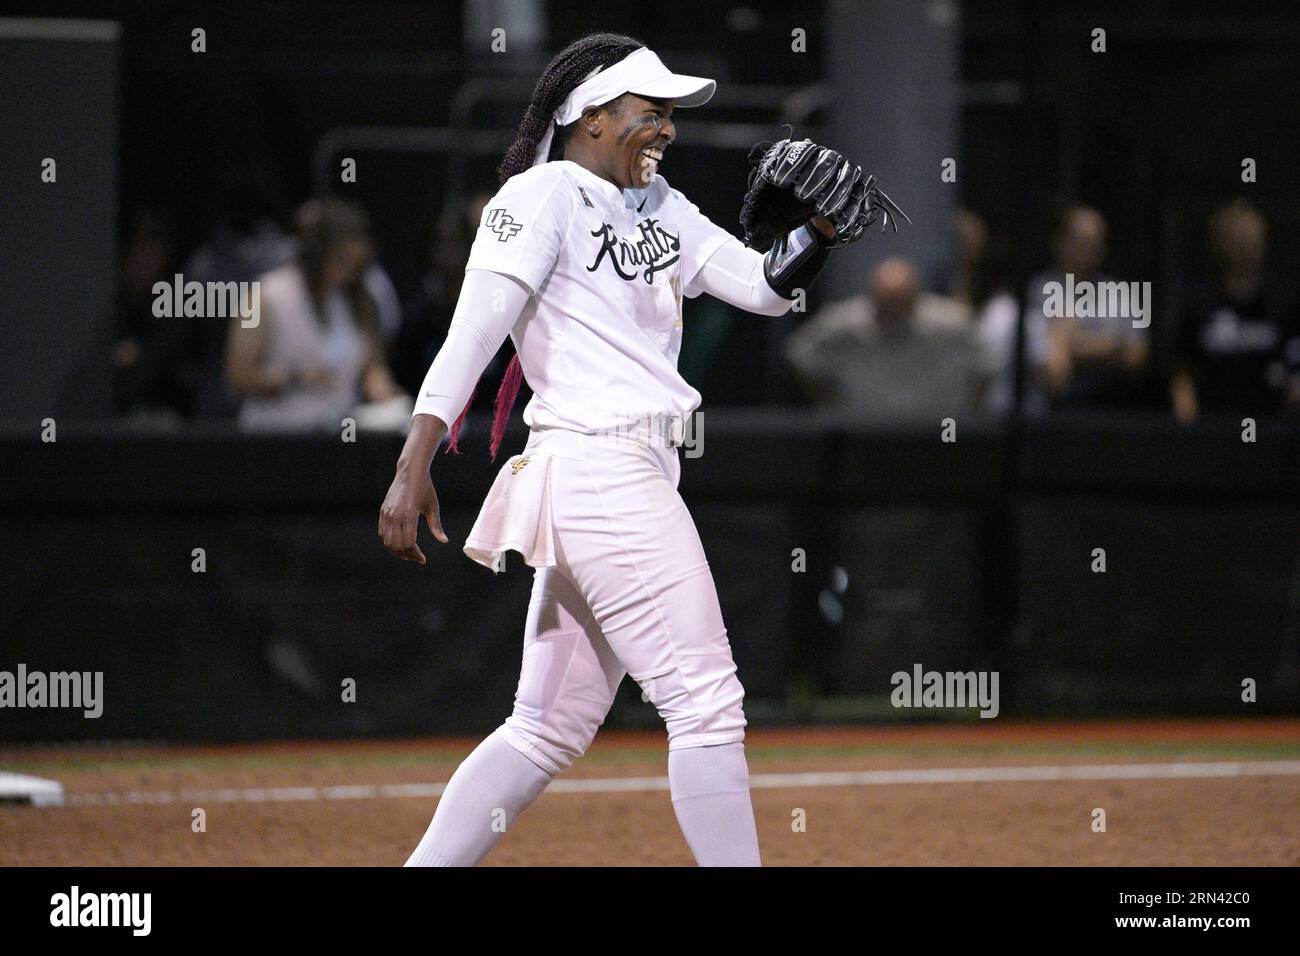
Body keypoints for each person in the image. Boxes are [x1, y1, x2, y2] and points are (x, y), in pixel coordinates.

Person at [378, 32, 879, 867]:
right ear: (592, 118)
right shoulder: (541, 197)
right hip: (596, 464)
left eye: (670, 116)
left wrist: (817, 234)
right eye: (651, 113)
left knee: (545, 728)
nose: (667, 130)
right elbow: (474, 335)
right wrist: (412, 464)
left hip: (627, 469)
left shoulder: (662, 206)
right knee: (707, 703)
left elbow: (758, 286)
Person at [225, 198, 403, 431]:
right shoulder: (266, 295)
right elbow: (238, 374)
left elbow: (372, 368)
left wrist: (388, 398)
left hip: (337, 435)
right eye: (341, 261)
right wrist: (295, 378)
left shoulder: (360, 298)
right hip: (277, 436)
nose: (348, 272)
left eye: (355, 265)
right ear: (318, 254)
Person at [784, 257, 977, 422]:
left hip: (932, 432)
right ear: (873, 299)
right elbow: (799, 353)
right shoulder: (844, 325)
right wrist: (830, 403)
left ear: (914, 300)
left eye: (899, 305)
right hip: (863, 432)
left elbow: (987, 366)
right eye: (887, 305)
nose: (893, 314)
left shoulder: (950, 325)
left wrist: (966, 412)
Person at [1171, 199, 1300, 422]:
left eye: (1252, 238)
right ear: (1219, 242)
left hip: (1273, 428)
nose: (1245, 246)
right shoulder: (1198, 303)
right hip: (1212, 425)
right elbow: (1182, 368)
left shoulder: (1284, 305)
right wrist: (1187, 418)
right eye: (1238, 238)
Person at [1025, 205, 1149, 408]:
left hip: (1115, 405)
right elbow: (1047, 361)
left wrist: (1070, 344)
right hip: (1055, 407)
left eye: (1097, 240)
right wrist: (1112, 347)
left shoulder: (1121, 291)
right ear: (1058, 242)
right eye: (1081, 239)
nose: (1091, 247)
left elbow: (1137, 355)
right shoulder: (1037, 290)